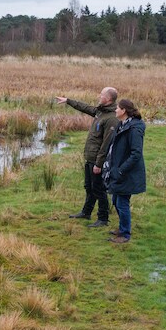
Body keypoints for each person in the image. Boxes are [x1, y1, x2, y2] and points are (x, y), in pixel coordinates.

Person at [54, 87, 119, 227]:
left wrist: (99, 164)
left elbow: (106, 144)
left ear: (108, 99)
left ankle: (103, 218)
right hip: (90, 157)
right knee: (89, 187)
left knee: (99, 189)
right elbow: (86, 108)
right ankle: (86, 212)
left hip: (97, 160)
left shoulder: (112, 119)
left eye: (101, 95)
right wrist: (68, 101)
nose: (99, 96)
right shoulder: (101, 111)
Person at [103, 99, 146, 244]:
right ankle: (122, 228)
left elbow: (136, 153)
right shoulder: (122, 125)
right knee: (116, 200)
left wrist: (121, 170)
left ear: (124, 111)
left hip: (126, 173)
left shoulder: (134, 129)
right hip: (118, 170)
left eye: (117, 108)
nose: (115, 110)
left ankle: (125, 234)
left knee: (122, 202)